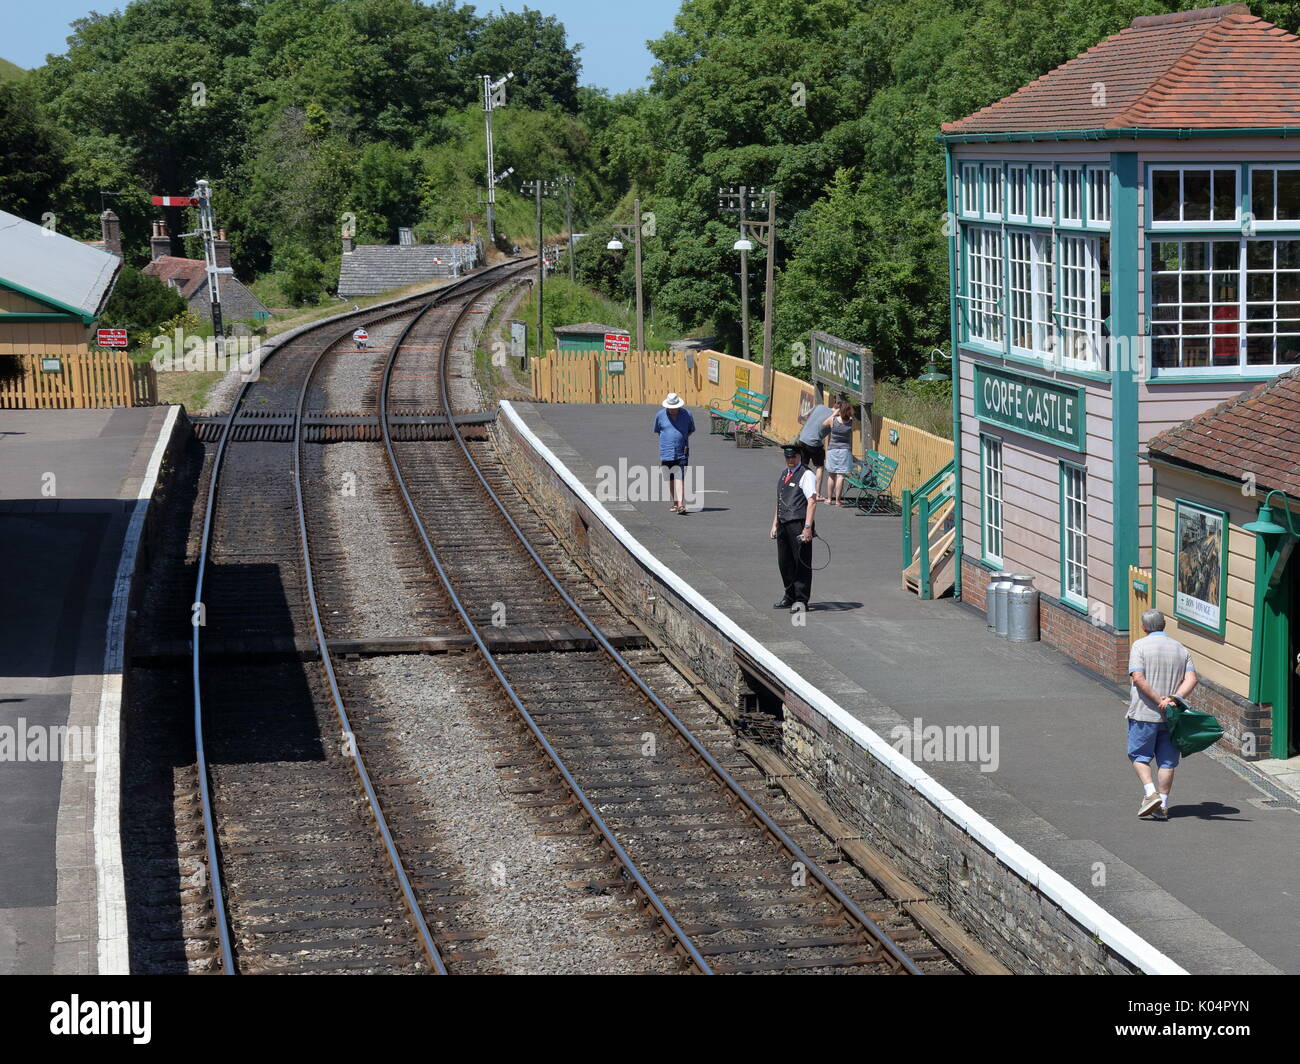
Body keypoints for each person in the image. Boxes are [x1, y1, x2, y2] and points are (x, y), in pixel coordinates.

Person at [1127, 609, 1198, 820]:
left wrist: (1159, 700)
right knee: (1167, 762)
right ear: (1164, 625)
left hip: (1144, 714)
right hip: (1172, 717)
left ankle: (1151, 794)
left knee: (1139, 756)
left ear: (1143, 627)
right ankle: (1163, 805)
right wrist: (1173, 699)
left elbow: (1138, 678)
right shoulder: (1180, 649)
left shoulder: (1139, 646)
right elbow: (1192, 679)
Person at [770, 444, 817, 611]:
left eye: (793, 457)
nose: (789, 460)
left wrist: (807, 527)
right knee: (785, 562)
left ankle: (801, 600)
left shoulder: (807, 475)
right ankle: (789, 595)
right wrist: (775, 523)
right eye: (787, 457)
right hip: (783, 523)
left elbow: (811, 502)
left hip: (798, 523)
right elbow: (780, 499)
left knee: (801, 563)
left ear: (799, 457)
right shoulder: (785, 474)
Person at [653, 392, 695, 514]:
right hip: (666, 451)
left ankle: (681, 504)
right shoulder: (660, 415)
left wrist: (681, 438)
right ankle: (676, 503)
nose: (672, 410)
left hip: (682, 451)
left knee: (679, 476)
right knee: (670, 478)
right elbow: (658, 431)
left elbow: (690, 430)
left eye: (674, 408)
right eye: (670, 408)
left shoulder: (687, 415)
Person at [797, 398, 835, 501]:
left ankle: (799, 489)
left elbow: (804, 415)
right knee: (819, 467)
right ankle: (817, 494)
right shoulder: (834, 418)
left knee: (803, 465)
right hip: (814, 442)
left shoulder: (820, 406)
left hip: (803, 438)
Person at [823, 400, 855, 506]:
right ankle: (837, 500)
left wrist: (834, 413)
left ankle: (829, 499)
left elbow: (824, 423)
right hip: (845, 450)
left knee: (831, 475)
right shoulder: (850, 421)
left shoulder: (833, 420)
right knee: (840, 476)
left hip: (832, 449)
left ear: (840, 410)